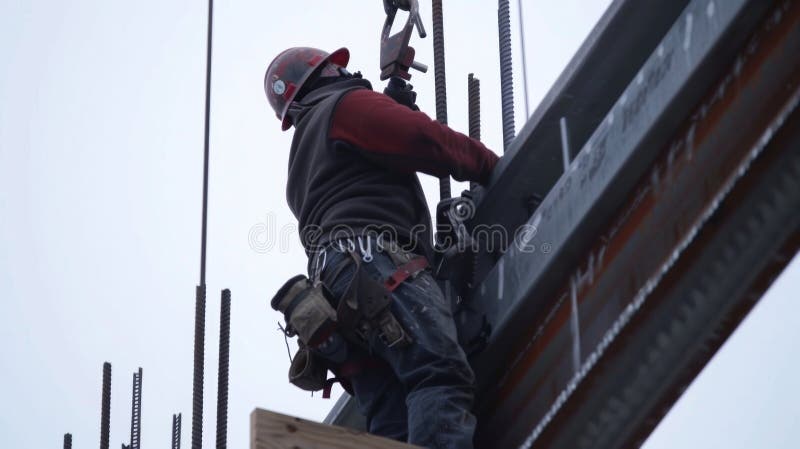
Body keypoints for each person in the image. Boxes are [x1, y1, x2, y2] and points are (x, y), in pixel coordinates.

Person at [264, 46, 498, 449]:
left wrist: (388, 109)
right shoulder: (344, 106)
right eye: (338, 68)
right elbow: (424, 139)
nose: (347, 71)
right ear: (327, 74)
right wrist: (491, 167)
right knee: (436, 372)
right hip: (372, 261)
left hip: (336, 288)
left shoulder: (304, 155)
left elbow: (362, 170)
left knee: (391, 421)